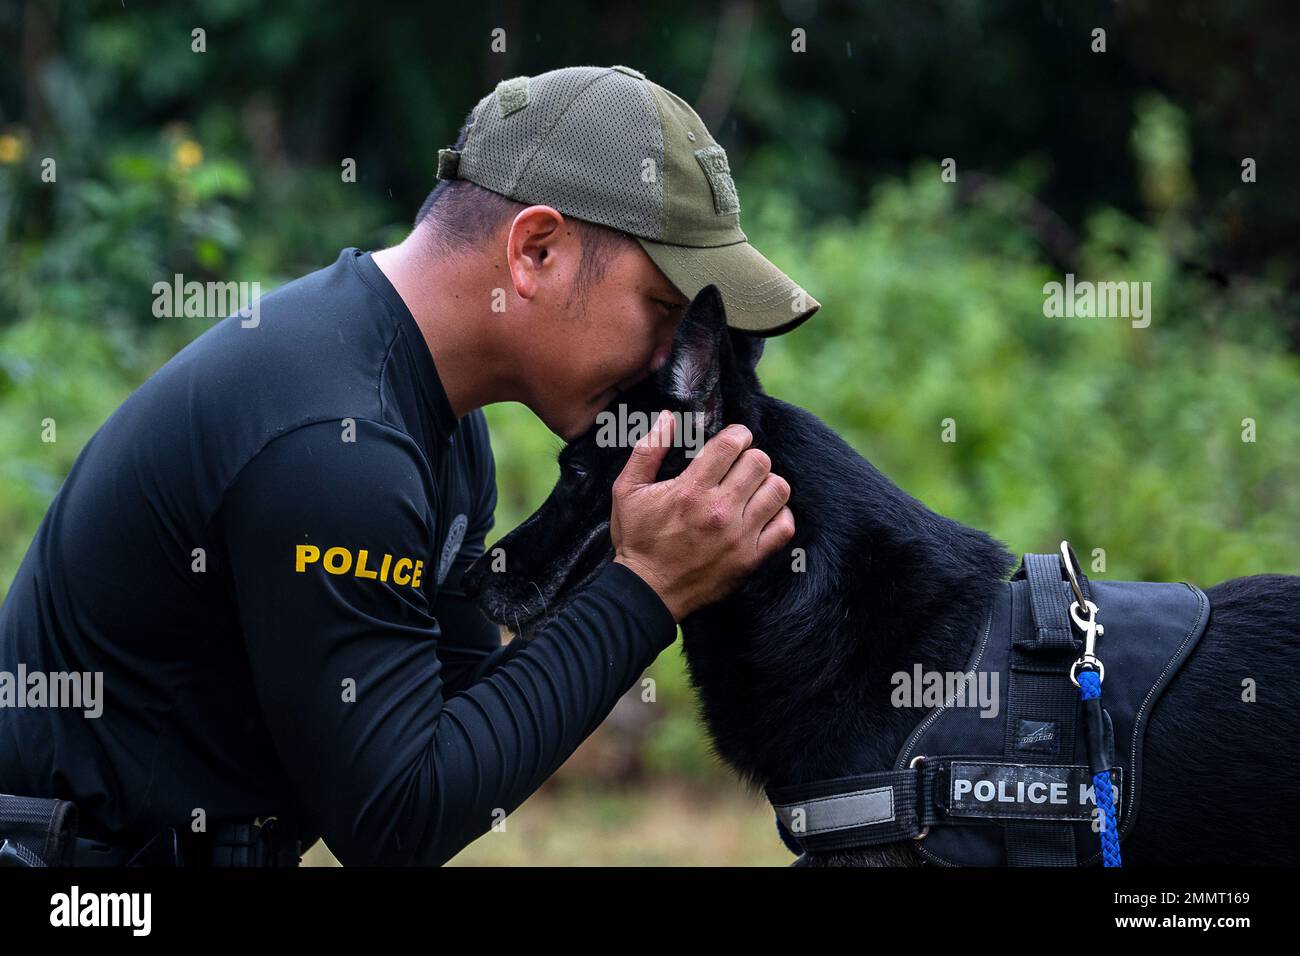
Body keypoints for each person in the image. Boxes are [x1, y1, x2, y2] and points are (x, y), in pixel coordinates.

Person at [0, 65, 818, 866]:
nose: (668, 360)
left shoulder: (435, 421)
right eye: (665, 311)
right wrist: (644, 590)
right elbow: (396, 821)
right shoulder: (334, 442)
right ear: (535, 249)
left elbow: (456, 729)